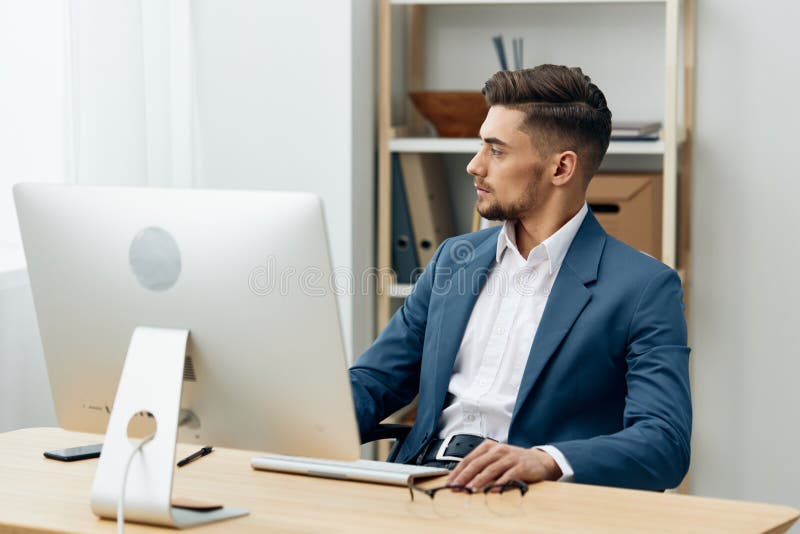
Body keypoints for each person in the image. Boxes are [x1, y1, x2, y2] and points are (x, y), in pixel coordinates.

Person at [350, 64, 691, 492]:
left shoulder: (644, 288)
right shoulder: (454, 259)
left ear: (561, 168)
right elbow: (376, 380)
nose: (475, 166)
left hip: (526, 498)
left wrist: (545, 461)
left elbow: (664, 443)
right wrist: (298, 415)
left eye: (496, 150)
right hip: (418, 485)